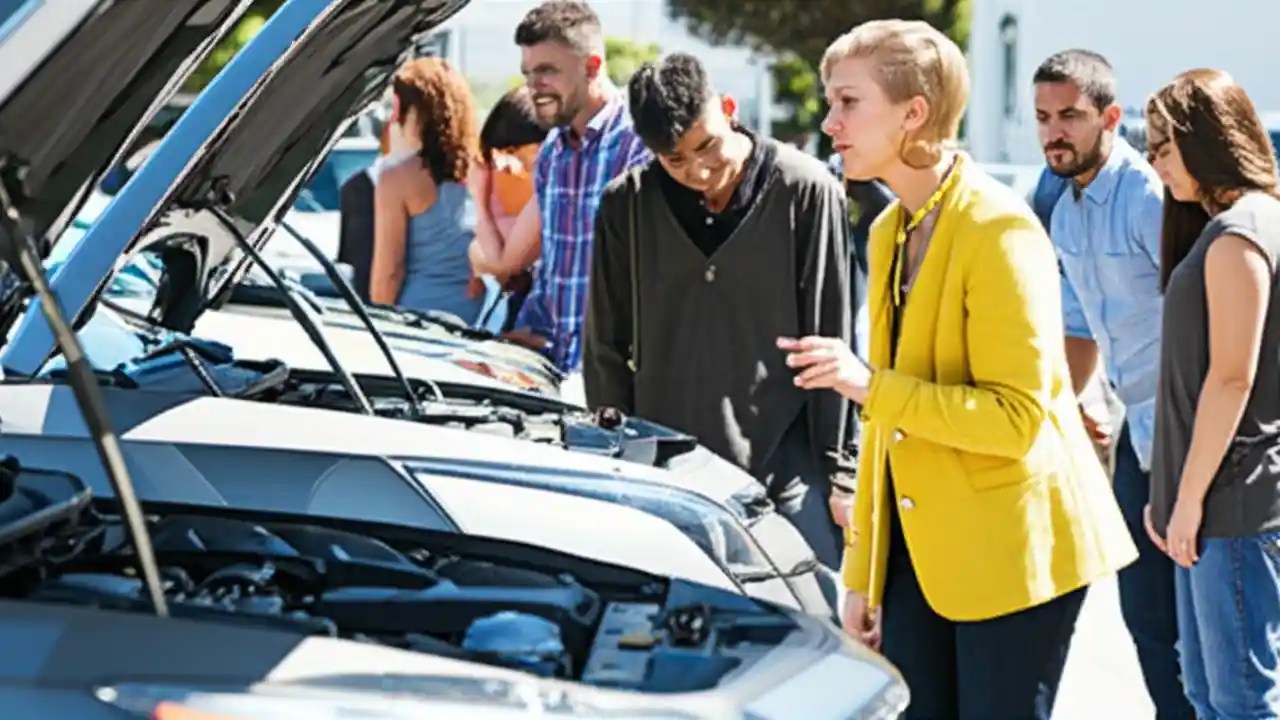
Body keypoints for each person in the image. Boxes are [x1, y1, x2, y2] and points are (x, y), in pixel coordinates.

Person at [782, 19, 1136, 718]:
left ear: (914, 113)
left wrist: (866, 384)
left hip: (1016, 554)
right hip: (923, 553)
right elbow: (889, 427)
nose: (829, 122)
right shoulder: (889, 230)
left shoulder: (999, 230)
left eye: (848, 103)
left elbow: (1014, 421)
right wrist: (865, 576)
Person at [582, 53, 852, 572]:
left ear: (728, 108)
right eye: (674, 161)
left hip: (786, 476)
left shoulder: (807, 190)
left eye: (706, 146)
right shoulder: (626, 205)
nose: (699, 170)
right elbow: (605, 351)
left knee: (813, 629)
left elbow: (831, 338)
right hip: (666, 481)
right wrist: (612, 462)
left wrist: (840, 475)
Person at [1032, 50, 1192, 720]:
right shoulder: (1062, 208)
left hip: (1193, 427)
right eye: (1042, 118)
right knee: (1145, 617)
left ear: (1111, 117)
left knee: (1210, 623)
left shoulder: (1147, 195)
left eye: (1070, 115)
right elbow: (1078, 330)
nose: (1053, 133)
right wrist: (1067, 408)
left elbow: (1205, 315)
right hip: (1137, 431)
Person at [1144, 68, 1280, 720]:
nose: (1154, 163)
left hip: (1230, 508)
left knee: (1240, 703)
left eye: (1164, 147)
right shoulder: (1235, 225)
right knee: (1209, 698)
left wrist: (1187, 501)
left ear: (1205, 140)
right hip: (1210, 510)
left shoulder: (1240, 234)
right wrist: (1171, 498)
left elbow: (1232, 378)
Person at [503, 0, 651, 398]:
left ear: (592, 66)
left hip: (618, 385)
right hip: (552, 379)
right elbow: (555, 269)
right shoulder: (552, 151)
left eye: (548, 71)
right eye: (529, 73)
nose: (534, 85)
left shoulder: (640, 145)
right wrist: (525, 335)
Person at [371, 57, 484, 324]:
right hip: (475, 318)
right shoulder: (482, 169)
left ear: (412, 111)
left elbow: (389, 270)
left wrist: (378, 323)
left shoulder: (396, 178)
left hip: (416, 321)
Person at [467, 85, 548, 331]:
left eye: (515, 154)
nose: (512, 167)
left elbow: (503, 265)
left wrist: (480, 201)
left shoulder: (548, 185)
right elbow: (481, 255)